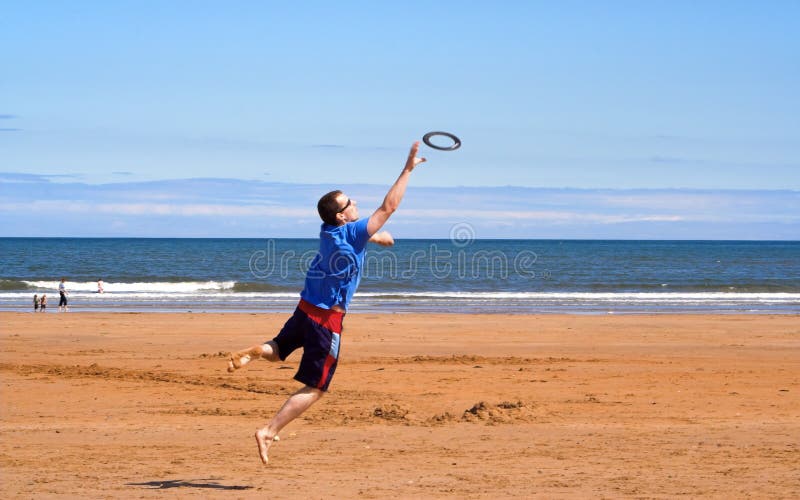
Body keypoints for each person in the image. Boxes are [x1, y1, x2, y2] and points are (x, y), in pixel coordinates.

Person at [226, 141, 425, 465]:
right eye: (350, 202)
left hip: (304, 309)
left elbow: (354, 233)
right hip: (324, 322)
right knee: (315, 388)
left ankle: (259, 351)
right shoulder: (348, 232)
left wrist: (373, 237)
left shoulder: (329, 231)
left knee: (278, 351)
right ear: (341, 215)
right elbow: (388, 208)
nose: (356, 202)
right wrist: (407, 169)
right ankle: (268, 430)